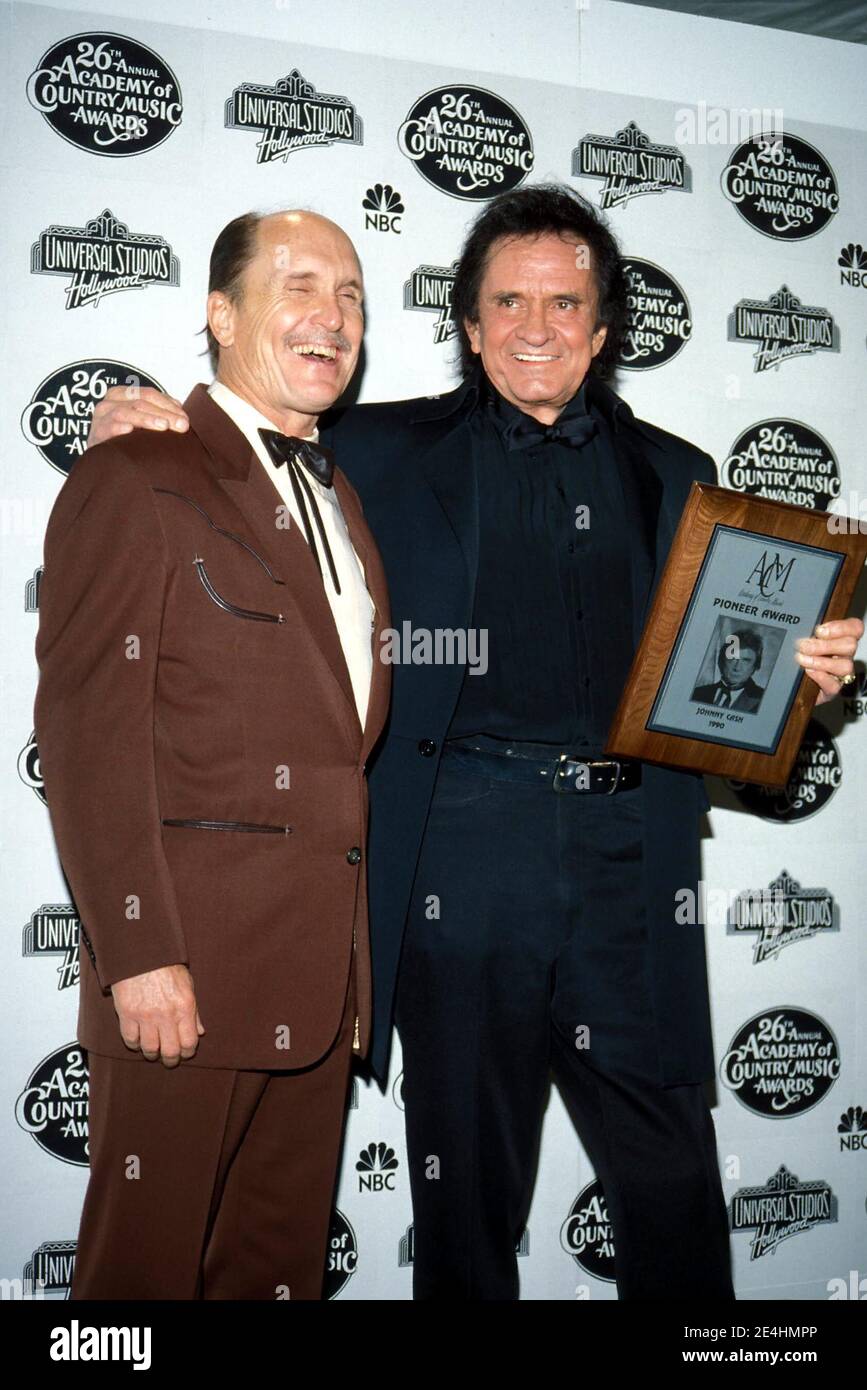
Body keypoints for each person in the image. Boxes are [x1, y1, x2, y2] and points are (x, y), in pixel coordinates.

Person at [87, 184, 862, 1301]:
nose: (534, 326)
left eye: (564, 303)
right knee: (464, 1209)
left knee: (679, 1196)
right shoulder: (374, 450)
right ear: (468, 322)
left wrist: (805, 677)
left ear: (602, 332)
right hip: (461, 864)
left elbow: (723, 691)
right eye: (507, 300)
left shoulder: (682, 477)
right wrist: (136, 409)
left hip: (631, 872)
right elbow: (244, 429)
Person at [34, 209, 390, 1300]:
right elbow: (88, 737)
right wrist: (137, 951)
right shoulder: (135, 477)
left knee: (273, 1276)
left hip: (319, 984)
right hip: (183, 977)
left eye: (351, 294)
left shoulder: (342, 495)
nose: (329, 317)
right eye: (298, 286)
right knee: (132, 1284)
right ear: (219, 313)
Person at [692, 627, 766, 712]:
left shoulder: (764, 700)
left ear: (755, 666)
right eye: (732, 658)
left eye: (746, 661)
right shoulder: (697, 693)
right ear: (722, 660)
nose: (737, 667)